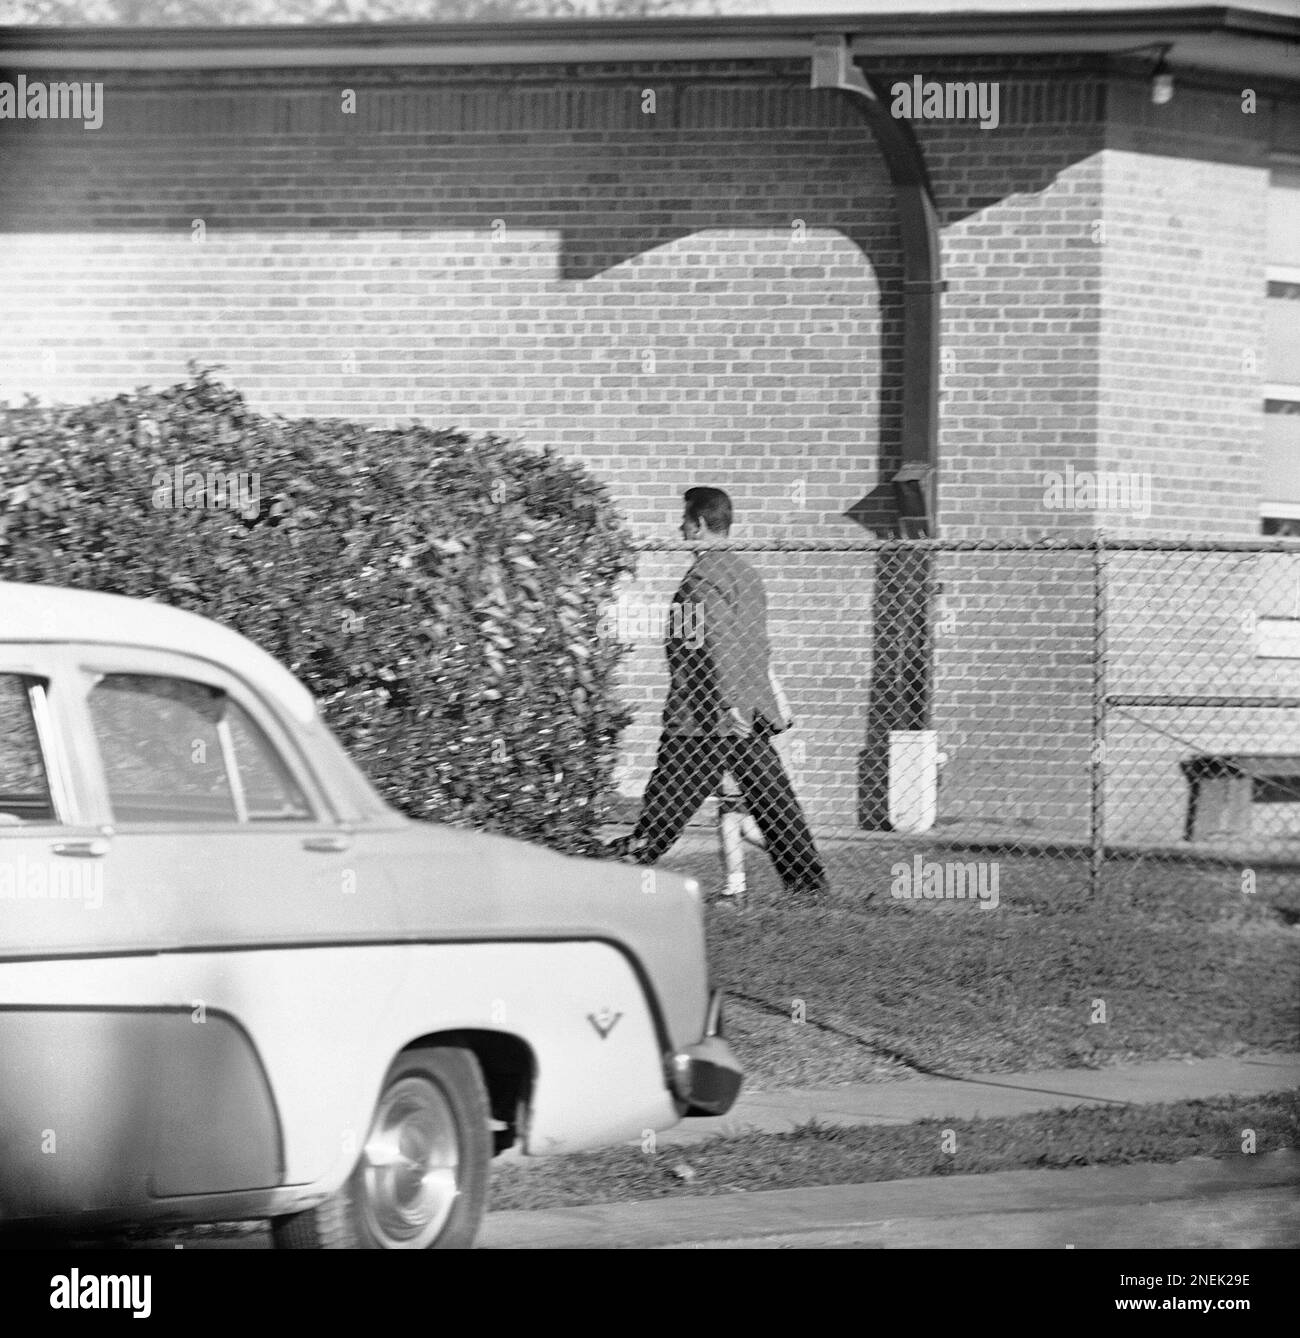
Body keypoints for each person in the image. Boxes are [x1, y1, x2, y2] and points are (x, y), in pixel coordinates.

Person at [609, 486, 830, 899]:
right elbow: (757, 646)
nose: (679, 528)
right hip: (750, 717)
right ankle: (810, 890)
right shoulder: (747, 575)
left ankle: (610, 876)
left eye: (685, 521)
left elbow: (717, 643)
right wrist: (760, 701)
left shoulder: (699, 582)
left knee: (664, 812)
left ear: (701, 526)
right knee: (777, 808)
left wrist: (727, 704)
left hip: (703, 721)